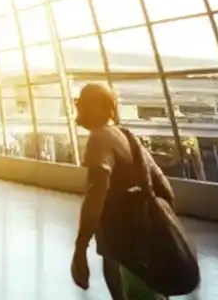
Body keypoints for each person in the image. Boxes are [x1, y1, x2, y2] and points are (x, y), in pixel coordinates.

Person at [71, 83, 175, 300]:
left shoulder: (100, 139)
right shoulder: (126, 136)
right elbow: (165, 189)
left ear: (104, 107)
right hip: (142, 246)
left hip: (123, 250)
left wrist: (80, 250)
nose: (78, 106)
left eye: (84, 102)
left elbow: (96, 196)